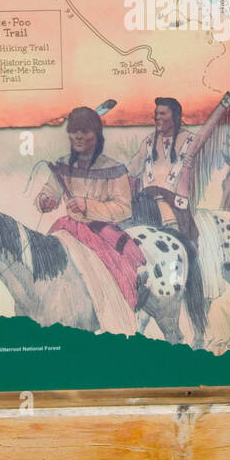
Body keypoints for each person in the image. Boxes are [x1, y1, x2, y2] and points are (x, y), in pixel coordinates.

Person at [36, 106, 142, 310]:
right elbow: (51, 191)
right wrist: (45, 200)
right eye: (74, 131)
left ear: (97, 135)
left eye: (84, 131)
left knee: (119, 274)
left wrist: (88, 206)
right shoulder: (63, 165)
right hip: (68, 228)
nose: (78, 136)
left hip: (102, 232)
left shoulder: (114, 168)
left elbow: (124, 209)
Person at [127, 96, 198, 242]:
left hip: (175, 208)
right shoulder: (148, 142)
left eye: (162, 114)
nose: (157, 117)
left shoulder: (191, 141)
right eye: (156, 114)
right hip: (146, 206)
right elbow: (131, 171)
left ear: (175, 116)